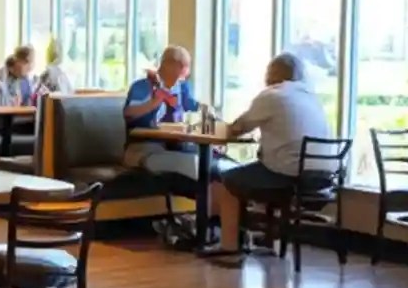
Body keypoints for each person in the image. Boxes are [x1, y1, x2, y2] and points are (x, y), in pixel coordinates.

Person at [206, 52, 333, 255]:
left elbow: (237, 128)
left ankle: (228, 246)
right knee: (261, 165)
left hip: (287, 175)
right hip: (322, 178)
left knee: (224, 180)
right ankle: (261, 237)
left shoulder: (272, 95)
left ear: (270, 74)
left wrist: (218, 127)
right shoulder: (312, 98)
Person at [122, 45, 203, 179]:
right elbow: (129, 113)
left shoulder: (182, 88)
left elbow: (193, 107)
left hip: (176, 146)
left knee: (208, 160)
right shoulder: (143, 86)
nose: (187, 72)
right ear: (168, 65)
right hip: (144, 148)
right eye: (183, 66)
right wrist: (154, 102)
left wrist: (208, 112)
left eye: (187, 67)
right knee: (190, 163)